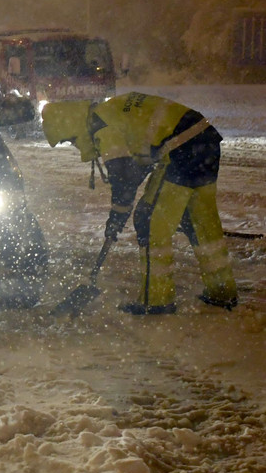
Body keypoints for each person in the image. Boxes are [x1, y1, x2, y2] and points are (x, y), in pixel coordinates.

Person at [42, 93, 237, 314]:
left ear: (73, 126)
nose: (75, 145)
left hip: (180, 150)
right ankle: (222, 291)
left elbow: (123, 177)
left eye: (71, 139)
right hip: (204, 141)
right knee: (201, 221)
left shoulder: (102, 127)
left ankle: (155, 300)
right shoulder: (110, 112)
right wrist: (121, 207)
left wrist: (117, 215)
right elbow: (137, 166)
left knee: (149, 221)